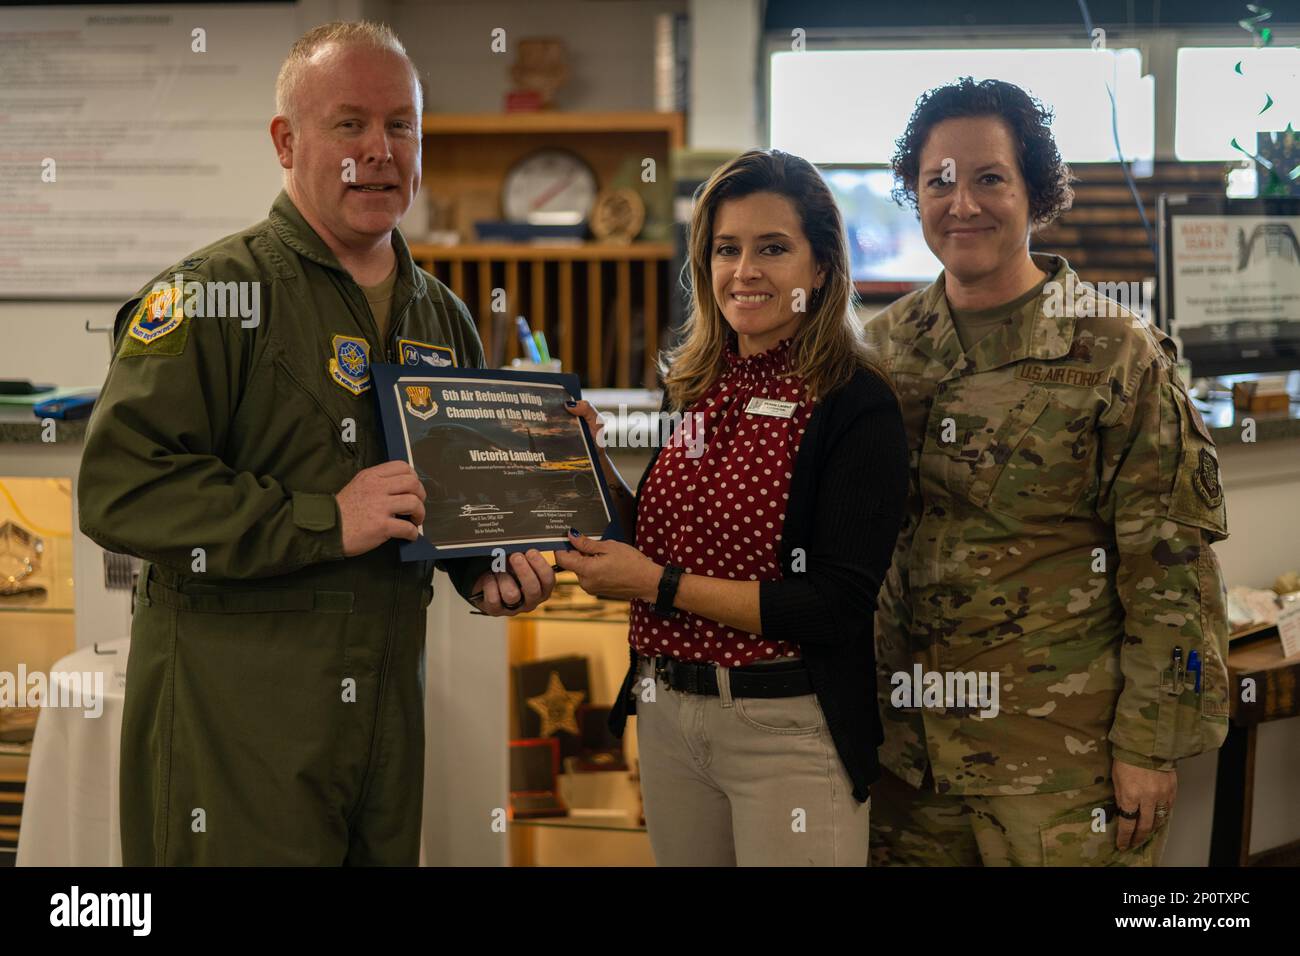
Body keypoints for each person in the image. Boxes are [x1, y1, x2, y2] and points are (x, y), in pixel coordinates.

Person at [77, 21, 555, 866]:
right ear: (286, 140)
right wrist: (322, 520)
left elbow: (442, 513)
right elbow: (122, 489)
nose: (379, 151)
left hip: (383, 724)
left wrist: (489, 574)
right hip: (234, 724)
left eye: (400, 125)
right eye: (350, 124)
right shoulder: (208, 297)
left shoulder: (440, 318)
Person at [865, 77, 1230, 866]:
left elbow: (1172, 569)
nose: (962, 202)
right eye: (939, 181)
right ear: (915, 195)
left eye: (990, 177)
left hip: (1060, 769)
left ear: (1036, 189)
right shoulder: (880, 351)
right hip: (907, 763)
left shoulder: (1115, 350)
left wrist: (1151, 745)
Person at [557, 149, 909, 866]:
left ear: (820, 268)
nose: (744, 271)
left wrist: (659, 588)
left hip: (786, 729)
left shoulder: (854, 401)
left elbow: (834, 603)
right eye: (726, 249)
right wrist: (586, 463)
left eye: (772, 248)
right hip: (668, 717)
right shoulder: (695, 387)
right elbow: (655, 541)